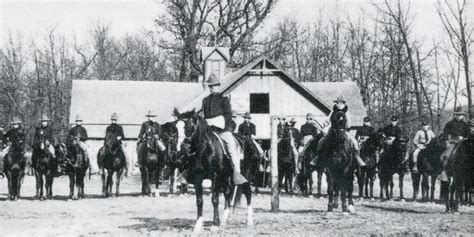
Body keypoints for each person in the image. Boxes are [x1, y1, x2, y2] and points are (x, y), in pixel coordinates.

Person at [202, 73, 246, 185]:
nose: (213, 88)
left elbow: (228, 116)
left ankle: (237, 172)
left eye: (215, 85)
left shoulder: (224, 99)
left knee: (231, 146)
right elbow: (204, 115)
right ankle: (189, 171)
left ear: (218, 86)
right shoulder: (205, 100)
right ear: (209, 87)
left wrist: (215, 121)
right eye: (211, 86)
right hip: (209, 131)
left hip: (222, 130)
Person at [310, 95, 366, 167]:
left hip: (344, 131)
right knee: (320, 141)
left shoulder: (347, 113)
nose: (339, 105)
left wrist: (344, 125)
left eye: (341, 103)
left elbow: (349, 124)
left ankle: (357, 159)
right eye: (337, 103)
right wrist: (323, 125)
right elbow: (327, 121)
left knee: (355, 142)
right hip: (332, 131)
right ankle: (317, 158)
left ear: (344, 104)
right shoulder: (333, 112)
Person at [439, 107, 470, 181]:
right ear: (455, 115)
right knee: (447, 155)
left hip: (463, 143)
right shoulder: (450, 123)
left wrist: (465, 138)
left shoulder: (465, 124)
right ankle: (444, 172)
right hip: (453, 142)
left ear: (463, 115)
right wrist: (446, 142)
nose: (459, 116)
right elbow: (445, 133)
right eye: (458, 114)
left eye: (461, 114)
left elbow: (468, 134)